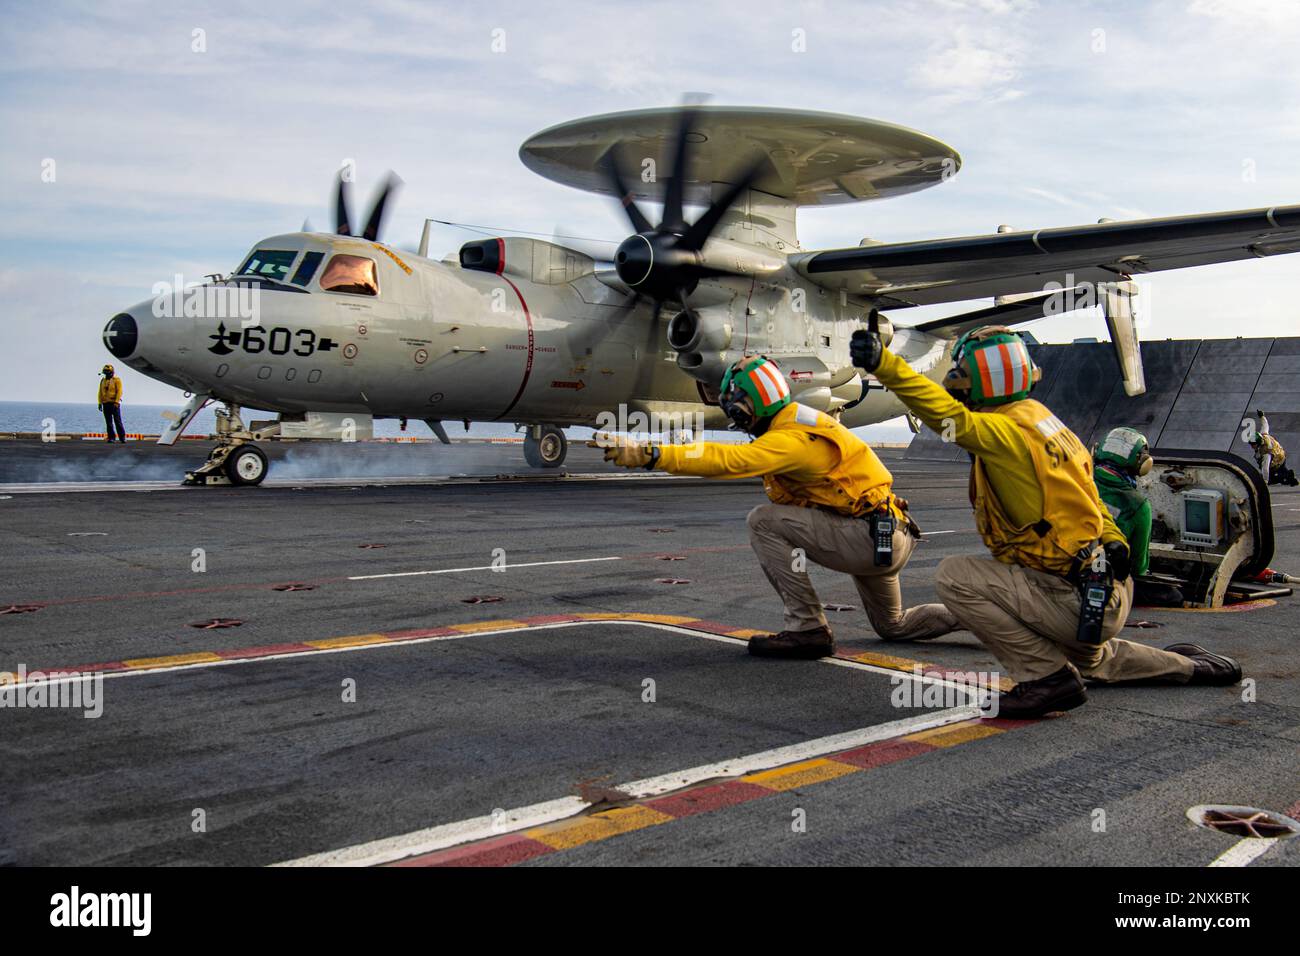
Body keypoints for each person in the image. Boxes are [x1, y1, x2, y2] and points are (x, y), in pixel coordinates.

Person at [851, 324, 1241, 717]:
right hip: (1102, 591)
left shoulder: (1004, 431)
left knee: (955, 576)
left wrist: (884, 364)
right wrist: (1111, 537)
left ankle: (1044, 677)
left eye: (959, 380)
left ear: (970, 384)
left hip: (1069, 592)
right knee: (1094, 661)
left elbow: (949, 418)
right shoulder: (1044, 422)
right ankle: (1189, 665)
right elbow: (1087, 492)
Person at [599, 355, 959, 659]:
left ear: (751, 402)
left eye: (736, 401)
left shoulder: (790, 439)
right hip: (885, 534)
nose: (732, 411)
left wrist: (650, 453)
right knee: (892, 626)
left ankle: (808, 630)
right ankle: (990, 615)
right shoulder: (797, 422)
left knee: (763, 521)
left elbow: (729, 460)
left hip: (867, 537)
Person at [1092, 427, 1183, 607]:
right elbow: (1138, 567)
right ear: (1142, 464)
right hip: (1108, 581)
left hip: (1072, 569)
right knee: (1175, 596)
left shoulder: (1080, 480)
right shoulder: (1139, 505)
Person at [1249, 410, 1298, 486]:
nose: (1251, 446)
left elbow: (1265, 467)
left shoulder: (1266, 452)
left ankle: (1286, 477)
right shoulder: (1264, 435)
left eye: (1253, 444)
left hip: (1276, 461)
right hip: (1281, 455)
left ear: (1258, 442)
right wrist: (1262, 416)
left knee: (1272, 479)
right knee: (1283, 470)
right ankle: (1292, 479)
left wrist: (1265, 482)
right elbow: (1265, 425)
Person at [97, 364, 126, 444]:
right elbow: (100, 392)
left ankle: (122, 437)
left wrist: (116, 402)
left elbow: (119, 391)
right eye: (105, 373)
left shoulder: (117, 380)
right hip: (105, 404)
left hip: (114, 404)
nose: (106, 374)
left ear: (112, 372)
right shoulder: (102, 381)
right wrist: (100, 403)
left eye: (108, 372)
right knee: (108, 422)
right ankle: (111, 438)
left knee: (118, 421)